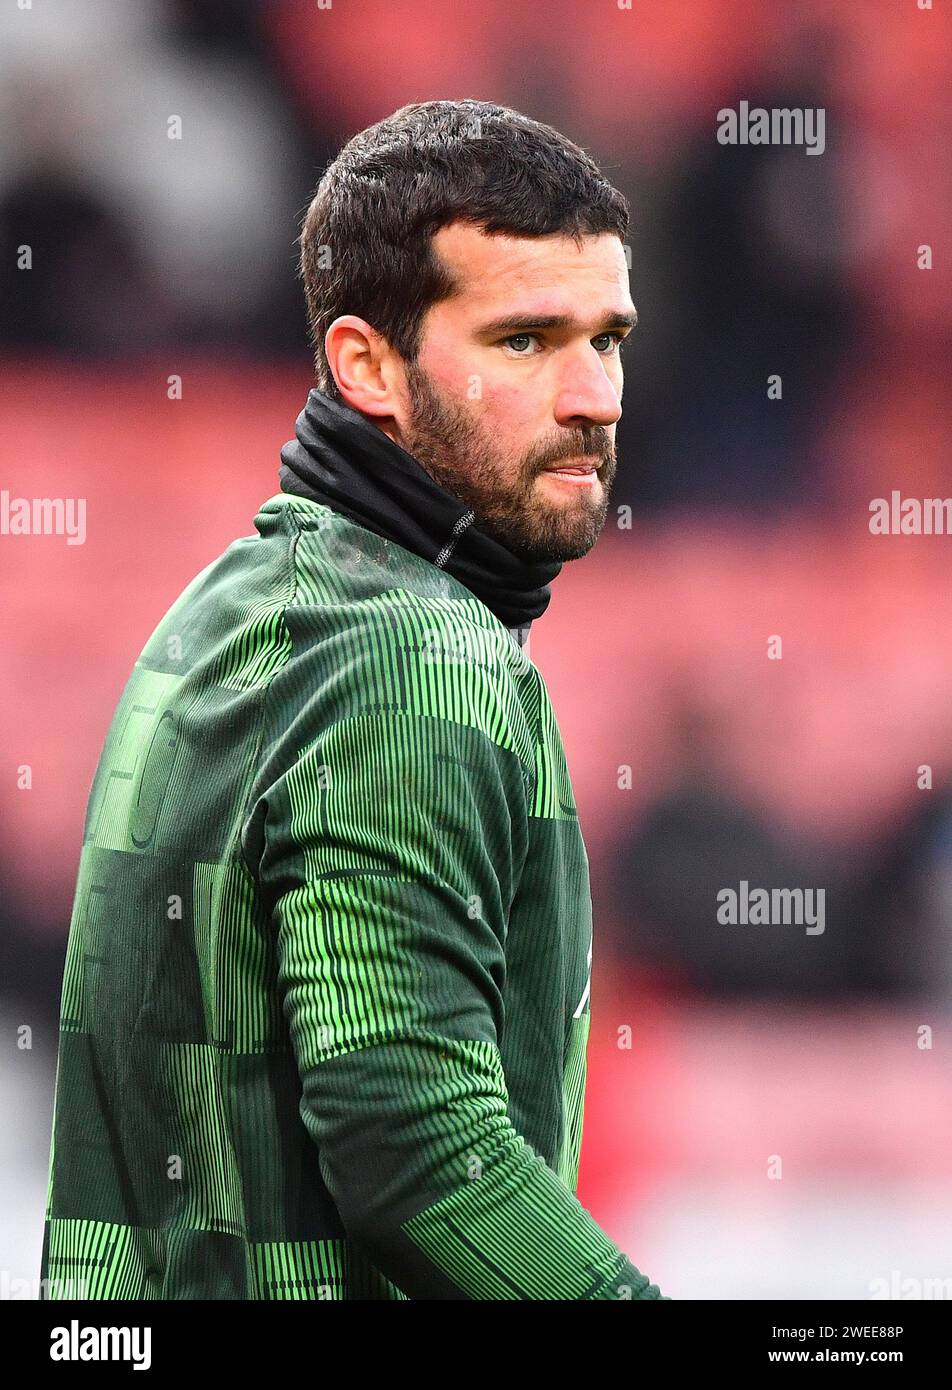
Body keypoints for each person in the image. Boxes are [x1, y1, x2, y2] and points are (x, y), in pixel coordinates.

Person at [40, 99, 667, 1300]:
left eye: (610, 338)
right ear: (363, 365)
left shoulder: (235, 600)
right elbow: (417, 1146)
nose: (596, 395)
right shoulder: (409, 657)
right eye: (527, 341)